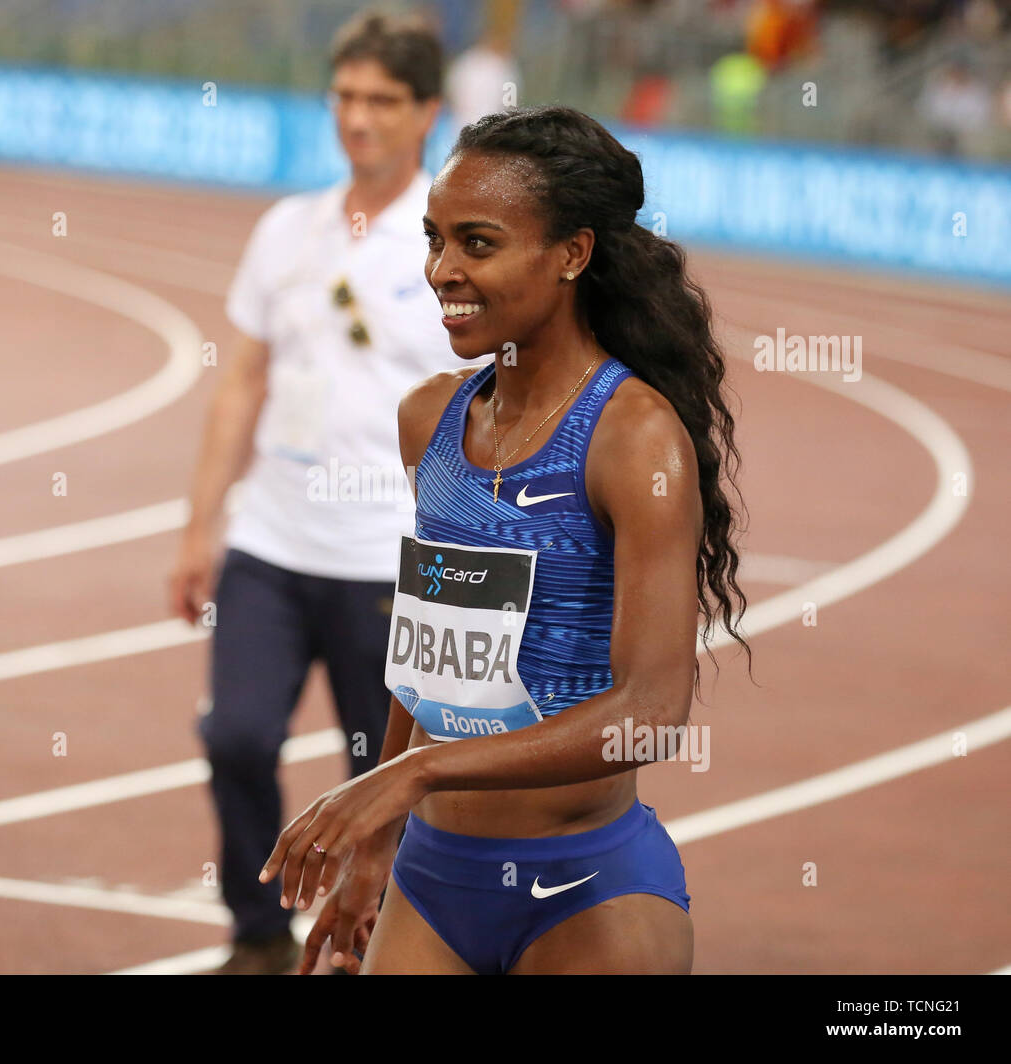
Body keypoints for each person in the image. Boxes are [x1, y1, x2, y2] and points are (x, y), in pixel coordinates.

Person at [261, 105, 752, 975]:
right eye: (434, 240)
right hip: (431, 881)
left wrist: (410, 778)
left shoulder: (631, 437)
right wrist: (380, 836)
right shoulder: (429, 420)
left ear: (573, 253)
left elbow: (652, 713)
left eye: (477, 244)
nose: (441, 271)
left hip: (586, 887)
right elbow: (431, 656)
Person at [169, 11, 481, 975]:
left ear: (427, 110)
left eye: (382, 101)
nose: (358, 119)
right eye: (345, 96)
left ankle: (367, 945)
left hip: (388, 551)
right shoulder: (287, 228)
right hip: (271, 538)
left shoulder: (452, 247)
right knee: (237, 735)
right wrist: (199, 526)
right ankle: (258, 934)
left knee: (378, 775)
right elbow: (244, 381)